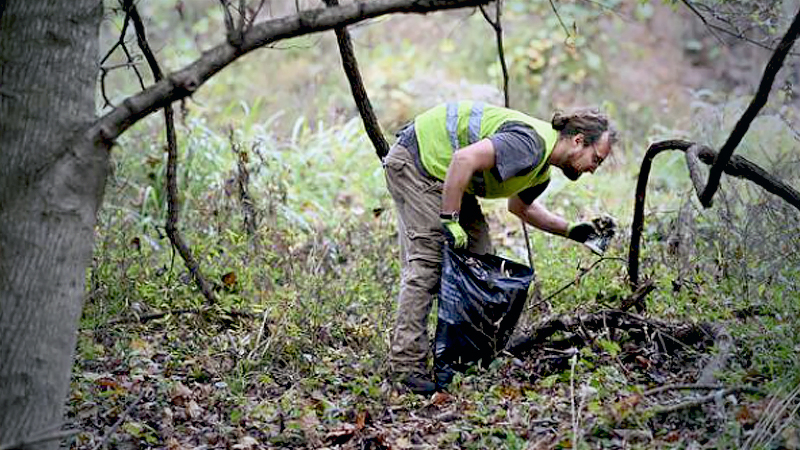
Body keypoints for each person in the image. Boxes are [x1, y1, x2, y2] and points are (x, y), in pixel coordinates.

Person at [383, 101, 618, 395]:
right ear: (578, 141)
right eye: (596, 159)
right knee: (427, 265)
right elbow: (463, 159)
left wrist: (573, 231)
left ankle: (461, 359)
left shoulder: (541, 169)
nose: (593, 170)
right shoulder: (530, 144)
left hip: (448, 177)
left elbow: (521, 207)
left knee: (478, 258)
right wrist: (450, 219)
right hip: (418, 165)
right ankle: (405, 369)